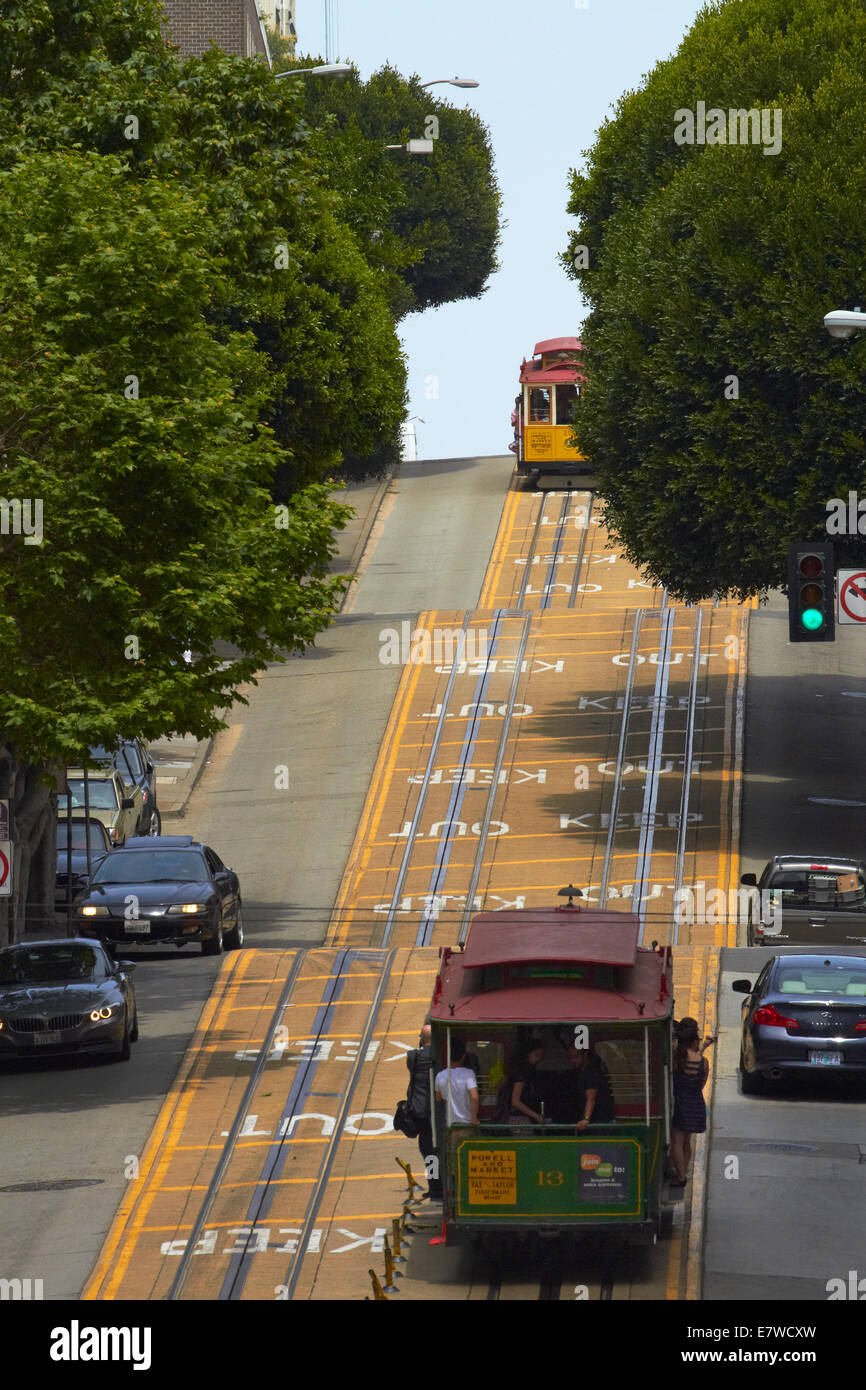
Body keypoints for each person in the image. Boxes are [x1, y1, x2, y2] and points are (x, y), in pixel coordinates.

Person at [669, 1017, 713, 1186]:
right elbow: (702, 1083)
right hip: (695, 1102)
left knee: (676, 1142)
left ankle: (681, 1176)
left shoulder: (677, 1057)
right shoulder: (703, 1062)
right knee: (686, 1141)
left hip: (680, 1101)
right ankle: (683, 1171)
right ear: (694, 1041)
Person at [405, 1023, 441, 1199]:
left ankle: (434, 1187)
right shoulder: (439, 1056)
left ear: (421, 1039)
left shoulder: (413, 1057)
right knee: (439, 1151)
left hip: (421, 1112)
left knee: (428, 1152)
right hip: (439, 1110)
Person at [566, 1045, 615, 1129]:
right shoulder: (580, 1073)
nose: (573, 1060)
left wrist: (586, 1119)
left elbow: (591, 1099)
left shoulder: (591, 1073)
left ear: (585, 1055)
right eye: (570, 1057)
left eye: (576, 1056)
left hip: (601, 1123)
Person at [434, 1044, 479, 1126]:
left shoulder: (440, 1075)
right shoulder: (469, 1074)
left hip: (450, 1123)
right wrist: (474, 1118)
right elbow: (474, 1097)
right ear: (463, 1057)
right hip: (467, 1122)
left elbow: (438, 1098)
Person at [508, 1038, 547, 1125]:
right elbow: (515, 1102)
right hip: (519, 1119)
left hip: (519, 1117)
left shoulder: (519, 1070)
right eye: (536, 1055)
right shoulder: (521, 1073)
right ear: (528, 1054)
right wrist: (536, 1116)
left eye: (541, 1056)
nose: (539, 1059)